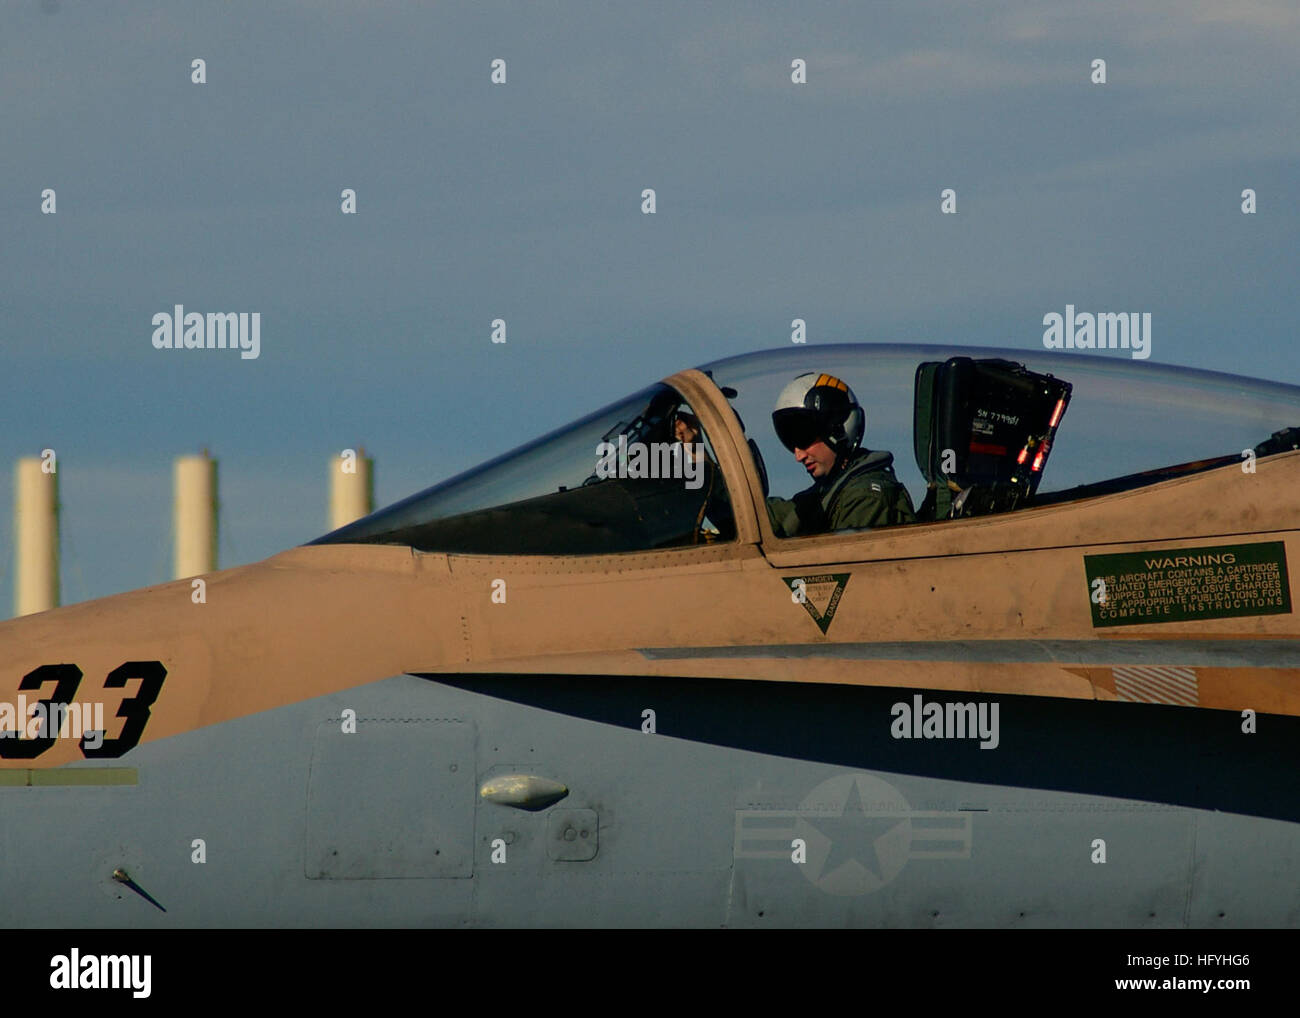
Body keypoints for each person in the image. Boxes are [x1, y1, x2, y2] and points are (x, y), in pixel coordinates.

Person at [765, 372, 916, 537]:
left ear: (837, 431)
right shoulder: (830, 490)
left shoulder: (865, 498)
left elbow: (843, 558)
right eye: (792, 443)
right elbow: (778, 515)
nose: (799, 456)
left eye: (804, 439)